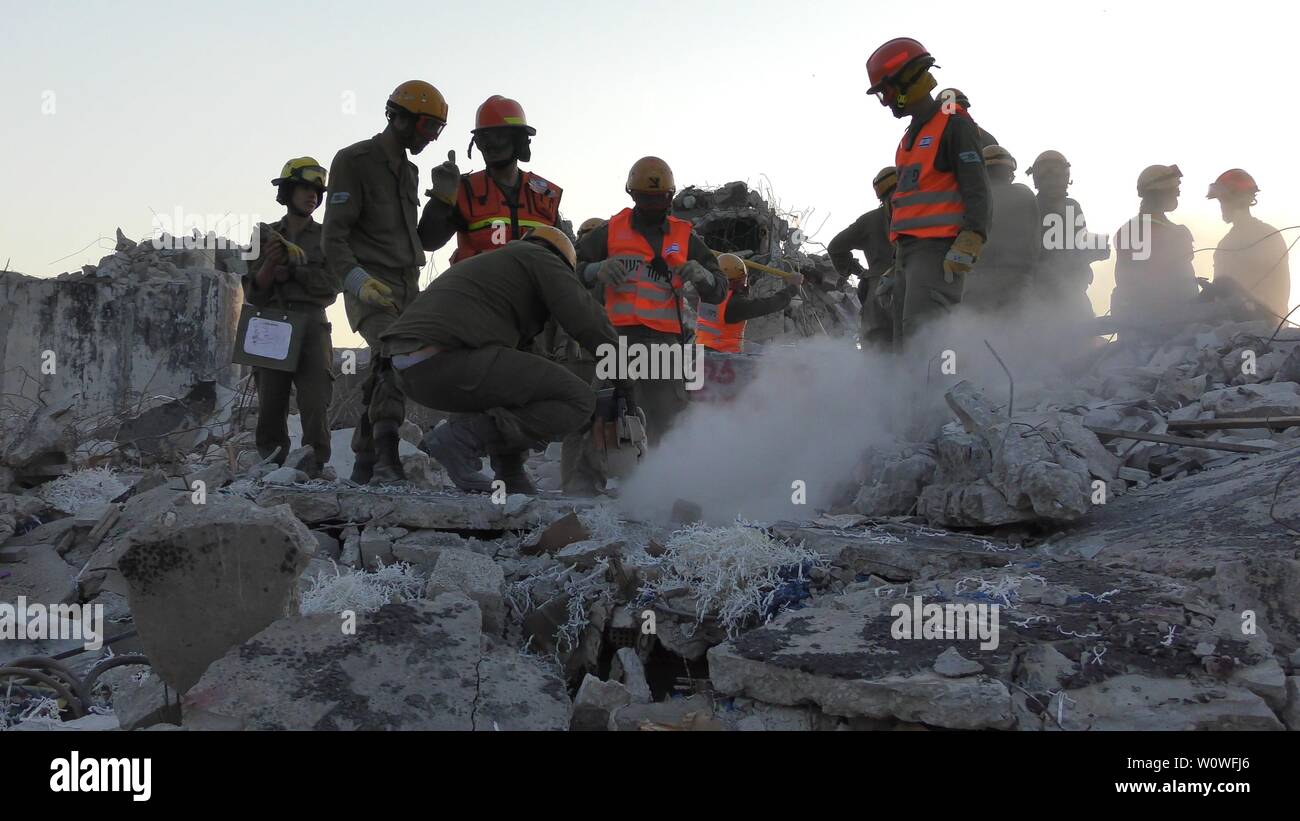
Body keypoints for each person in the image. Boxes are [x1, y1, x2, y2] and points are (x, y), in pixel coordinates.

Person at [380, 228, 626, 494]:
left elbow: (522, 380)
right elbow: (585, 318)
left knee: (523, 388)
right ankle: (458, 440)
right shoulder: (540, 258)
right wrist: (623, 373)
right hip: (444, 356)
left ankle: (510, 473)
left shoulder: (499, 272)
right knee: (580, 400)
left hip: (407, 368)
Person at [322, 80, 449, 484]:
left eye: (437, 131)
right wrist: (356, 281)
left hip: (408, 285)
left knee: (390, 364)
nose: (430, 139)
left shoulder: (410, 172)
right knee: (397, 354)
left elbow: (424, 240)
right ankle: (387, 454)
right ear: (402, 118)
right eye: (428, 128)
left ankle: (366, 458)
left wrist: (443, 203)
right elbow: (333, 236)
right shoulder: (353, 160)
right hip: (369, 281)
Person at [574, 156, 726, 444]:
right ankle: (582, 486)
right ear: (632, 195)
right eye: (647, 199)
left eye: (660, 199)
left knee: (670, 423)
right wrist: (596, 269)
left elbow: (718, 290)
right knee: (594, 415)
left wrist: (703, 275)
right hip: (616, 339)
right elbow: (570, 270)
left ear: (670, 197)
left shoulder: (686, 237)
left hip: (663, 345)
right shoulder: (610, 232)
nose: (654, 206)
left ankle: (667, 483)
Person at [865, 37, 991, 345]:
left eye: (888, 91)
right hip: (906, 254)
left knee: (926, 338)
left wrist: (973, 235)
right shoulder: (909, 139)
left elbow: (977, 186)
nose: (886, 101)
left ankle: (937, 392)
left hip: (938, 251)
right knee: (904, 342)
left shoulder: (953, 124)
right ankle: (908, 394)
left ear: (910, 80)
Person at [244, 157, 336, 478]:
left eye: (316, 190)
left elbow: (330, 288)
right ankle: (271, 467)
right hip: (271, 322)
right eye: (304, 188)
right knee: (271, 402)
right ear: (288, 192)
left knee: (315, 401)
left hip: (312, 323)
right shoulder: (264, 235)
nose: (312, 195)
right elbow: (253, 292)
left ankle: (314, 467)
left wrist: (295, 268)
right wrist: (270, 267)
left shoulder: (328, 237)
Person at [417, 95, 563, 263]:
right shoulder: (463, 190)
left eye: (498, 137)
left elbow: (564, 254)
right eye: (483, 138)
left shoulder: (545, 194)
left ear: (519, 140)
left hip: (534, 286)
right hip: (479, 287)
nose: (490, 146)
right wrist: (441, 199)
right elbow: (428, 242)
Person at [1111, 164, 1198, 335]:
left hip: (1176, 320)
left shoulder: (1134, 230)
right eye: (1173, 189)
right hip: (1153, 326)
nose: (1178, 193)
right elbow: (1136, 283)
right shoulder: (1135, 232)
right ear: (1158, 192)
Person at [1027, 149, 1107, 320]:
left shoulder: (1031, 205)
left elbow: (1078, 242)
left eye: (1056, 173)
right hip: (1049, 294)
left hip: (1061, 292)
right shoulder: (1068, 206)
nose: (1053, 179)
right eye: (1049, 174)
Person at [963, 145, 1040, 313]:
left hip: (977, 280)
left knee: (976, 332)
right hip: (1018, 280)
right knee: (1016, 333)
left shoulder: (971, 199)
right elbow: (1036, 240)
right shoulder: (1025, 194)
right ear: (1009, 170)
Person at [828, 166, 897, 349]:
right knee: (918, 345)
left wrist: (857, 270)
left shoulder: (870, 221)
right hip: (913, 285)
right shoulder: (923, 212)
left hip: (878, 289)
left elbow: (835, 247)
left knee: (876, 349)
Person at [1207, 169, 1290, 318]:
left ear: (1239, 200)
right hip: (1270, 326)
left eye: (1223, 200)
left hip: (1252, 328)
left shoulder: (1230, 243)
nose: (1222, 207)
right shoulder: (1271, 234)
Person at [696, 253, 802, 353]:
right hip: (722, 360)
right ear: (738, 281)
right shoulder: (734, 305)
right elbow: (767, 305)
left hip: (701, 354)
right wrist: (792, 288)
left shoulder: (707, 297)